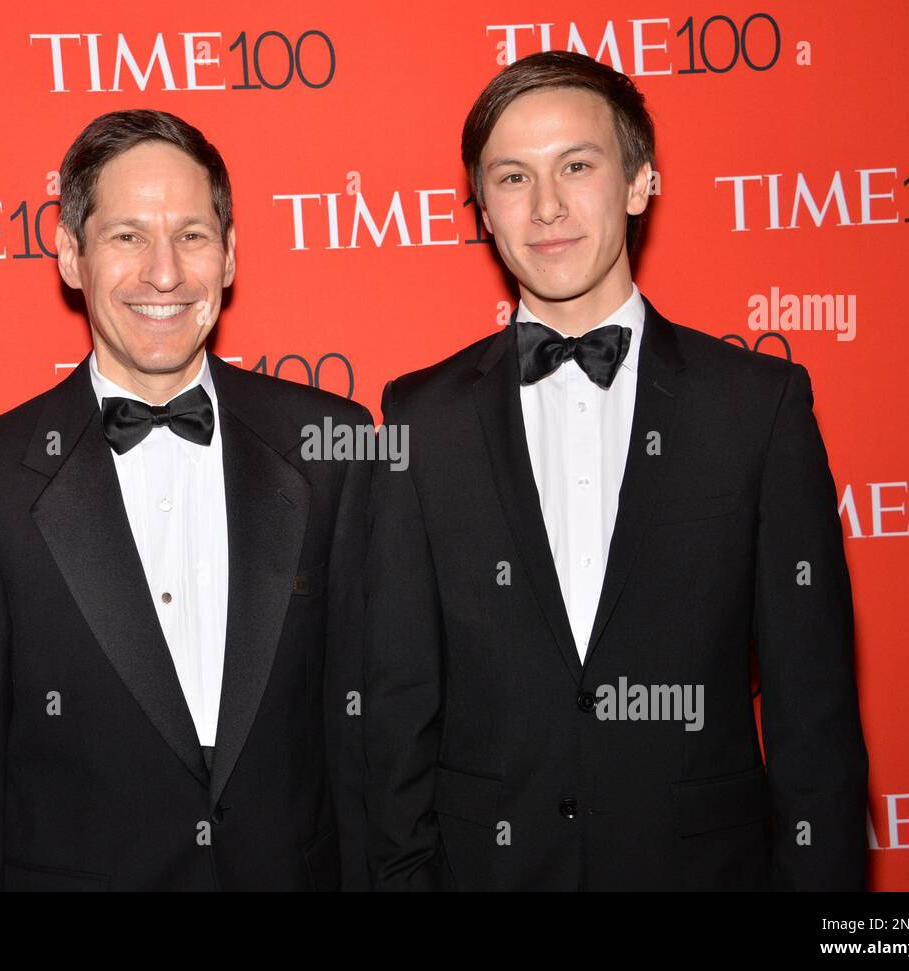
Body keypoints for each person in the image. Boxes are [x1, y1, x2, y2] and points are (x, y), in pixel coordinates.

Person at [362, 51, 868, 890]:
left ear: (639, 184)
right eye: (513, 177)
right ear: (483, 208)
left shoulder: (757, 408)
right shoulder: (422, 418)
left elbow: (814, 716)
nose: (547, 206)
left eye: (578, 166)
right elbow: (396, 713)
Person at [0, 109, 371, 890]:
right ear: (70, 256)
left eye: (191, 235)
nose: (164, 273)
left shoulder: (332, 449)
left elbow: (367, 745)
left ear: (229, 255)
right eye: (126, 237)